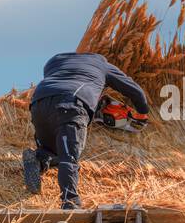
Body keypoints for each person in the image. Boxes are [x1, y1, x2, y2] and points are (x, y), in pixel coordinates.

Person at [22, 52, 150, 208]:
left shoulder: (52, 64)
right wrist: (143, 112)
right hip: (72, 104)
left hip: (38, 103)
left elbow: (61, 81)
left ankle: (39, 159)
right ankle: (70, 203)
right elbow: (133, 90)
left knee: (52, 150)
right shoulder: (102, 65)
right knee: (69, 157)